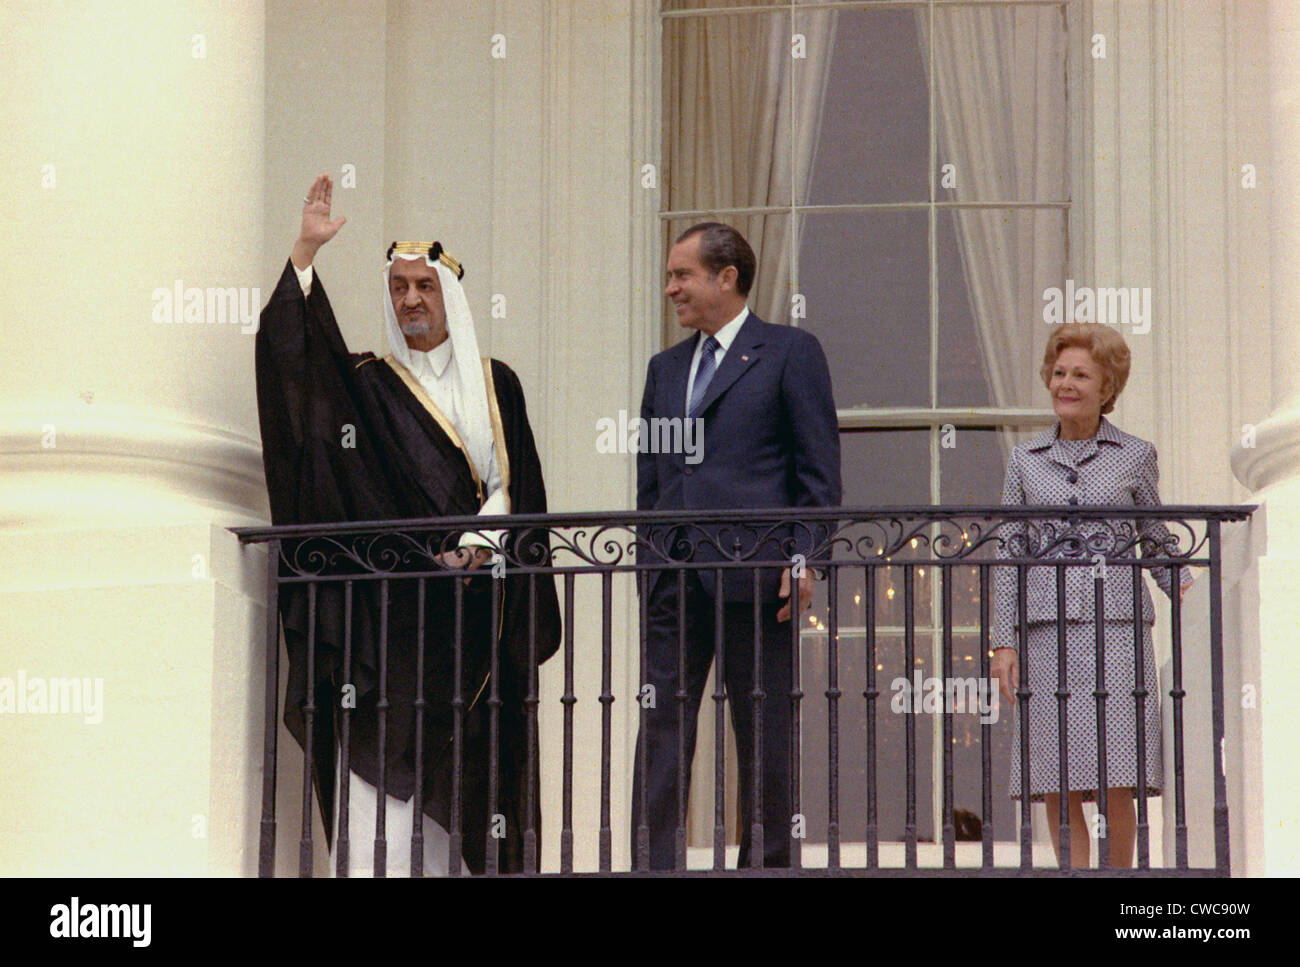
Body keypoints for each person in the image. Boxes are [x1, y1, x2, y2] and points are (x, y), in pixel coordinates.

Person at [256, 174, 560, 875]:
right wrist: (304, 255)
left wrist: (481, 544)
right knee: (380, 781)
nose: (411, 299)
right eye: (399, 289)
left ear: (448, 295)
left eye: (423, 286)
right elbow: (296, 375)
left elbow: (519, 489)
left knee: (481, 789)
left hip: (484, 619)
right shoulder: (367, 385)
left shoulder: (497, 382)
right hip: (394, 623)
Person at [632, 222, 841, 869]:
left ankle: (767, 865)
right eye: (670, 276)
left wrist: (805, 557)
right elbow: (653, 480)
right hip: (674, 581)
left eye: (681, 275)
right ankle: (653, 863)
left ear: (726, 276)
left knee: (764, 733)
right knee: (661, 729)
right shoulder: (665, 368)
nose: (671, 289)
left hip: (758, 577)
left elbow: (819, 477)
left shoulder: (788, 351)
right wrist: (651, 566)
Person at [990, 322, 1190, 868]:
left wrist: (1194, 596)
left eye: (1081, 374)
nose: (1066, 384)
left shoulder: (1134, 454)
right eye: (1059, 373)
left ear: (1107, 387)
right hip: (1044, 633)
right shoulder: (1025, 459)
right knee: (1054, 777)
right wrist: (1000, 643)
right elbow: (1010, 547)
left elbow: (1154, 538)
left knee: (1116, 773)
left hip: (1116, 630)